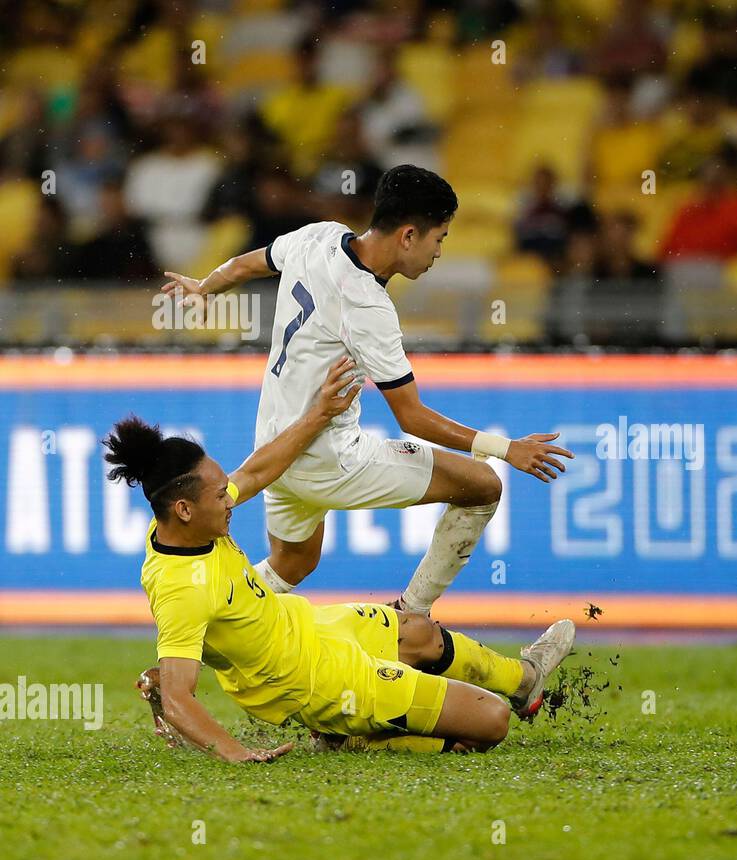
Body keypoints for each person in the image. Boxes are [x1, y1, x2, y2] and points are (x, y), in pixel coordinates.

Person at [105, 357, 575, 763]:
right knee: (489, 722)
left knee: (420, 631)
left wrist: (321, 412)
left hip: (312, 627)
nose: (229, 499)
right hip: (317, 680)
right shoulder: (181, 587)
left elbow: (259, 469)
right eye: (218, 495)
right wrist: (237, 752)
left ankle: (524, 680)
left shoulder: (182, 523)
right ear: (184, 510)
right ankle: (353, 737)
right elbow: (179, 696)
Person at [159, 165, 574, 617]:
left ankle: (199, 618)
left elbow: (247, 263)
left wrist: (205, 287)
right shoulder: (368, 306)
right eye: (439, 238)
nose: (438, 253)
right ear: (409, 235)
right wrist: (504, 447)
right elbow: (412, 417)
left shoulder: (319, 236)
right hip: (331, 459)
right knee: (483, 485)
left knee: (293, 562)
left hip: (274, 449)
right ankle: (411, 615)